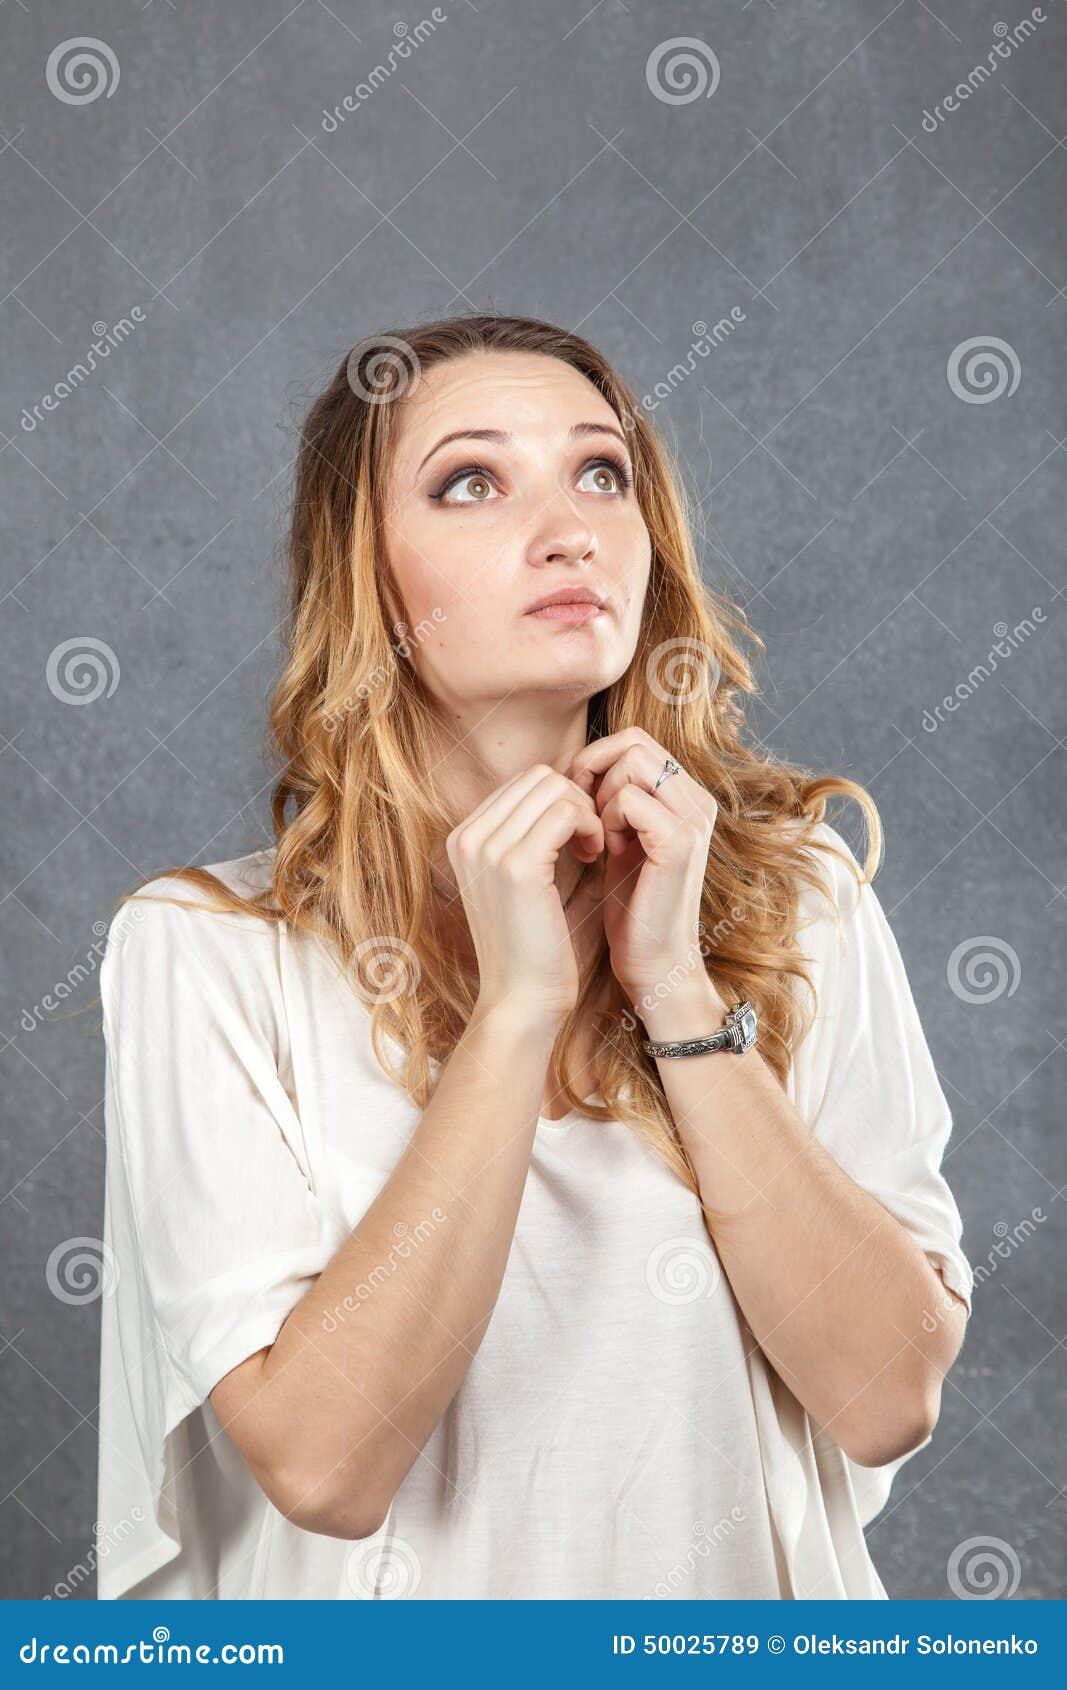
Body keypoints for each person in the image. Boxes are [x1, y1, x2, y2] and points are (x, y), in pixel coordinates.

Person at [95, 313, 972, 1601]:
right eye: (471, 481)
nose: (569, 528)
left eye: (600, 474)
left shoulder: (801, 905)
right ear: (370, 579)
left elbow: (889, 1394)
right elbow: (328, 1470)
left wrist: (677, 988)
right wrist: (516, 1017)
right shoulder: (207, 954)